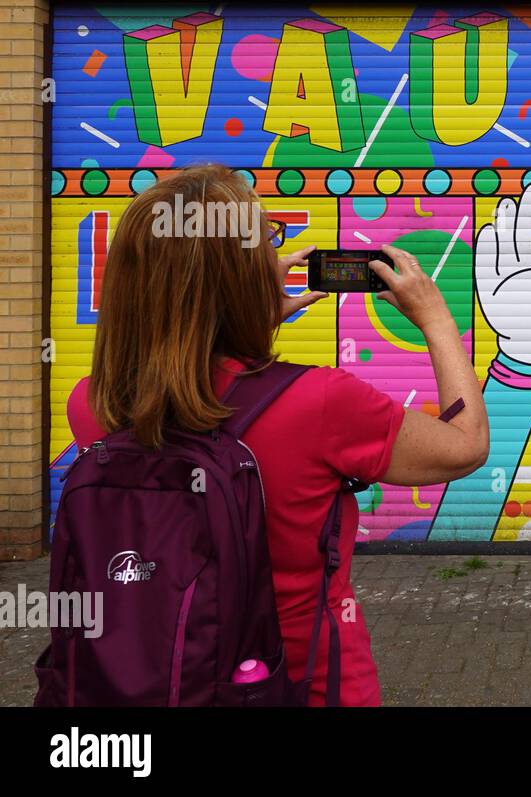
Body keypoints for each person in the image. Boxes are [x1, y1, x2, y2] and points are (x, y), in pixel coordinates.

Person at [64, 163, 489, 706]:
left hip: (159, 678)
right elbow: (466, 443)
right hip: (303, 682)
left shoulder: (93, 403)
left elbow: (192, 395)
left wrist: (238, 322)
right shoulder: (322, 404)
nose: (276, 247)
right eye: (268, 235)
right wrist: (436, 319)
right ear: (242, 273)